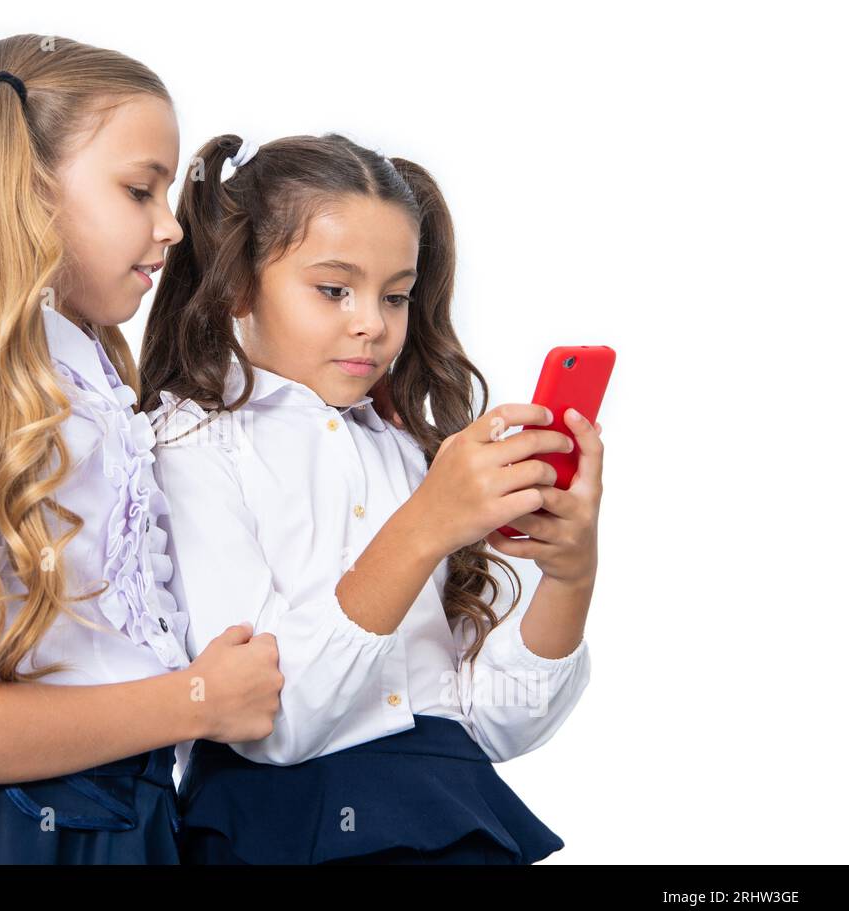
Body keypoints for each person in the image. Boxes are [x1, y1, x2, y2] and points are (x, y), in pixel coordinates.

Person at [0, 35, 281, 865]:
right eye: (139, 190)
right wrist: (197, 700)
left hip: (132, 828)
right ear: (32, 193)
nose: (171, 225)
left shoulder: (105, 405)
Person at [139, 132, 601, 864]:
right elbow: (270, 717)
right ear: (236, 284)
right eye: (334, 290)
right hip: (282, 826)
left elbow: (493, 726)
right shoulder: (190, 445)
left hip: (450, 818)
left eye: (396, 295)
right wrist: (423, 528)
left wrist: (570, 576)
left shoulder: (403, 450)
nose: (373, 323)